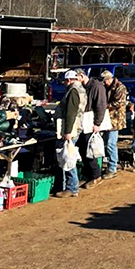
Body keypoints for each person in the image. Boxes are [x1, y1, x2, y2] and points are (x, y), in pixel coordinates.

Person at [54, 70, 87, 198]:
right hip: (76, 126)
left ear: (68, 80)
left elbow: (71, 112)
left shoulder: (73, 91)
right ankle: (68, 186)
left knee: (67, 157)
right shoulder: (81, 89)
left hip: (71, 128)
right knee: (68, 156)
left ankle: (71, 187)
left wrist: (67, 131)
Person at [76, 68, 108, 188]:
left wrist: (97, 123)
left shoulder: (96, 87)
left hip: (91, 122)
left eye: (76, 78)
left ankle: (96, 175)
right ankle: (87, 174)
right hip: (83, 122)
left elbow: (101, 105)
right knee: (82, 148)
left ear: (81, 76)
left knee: (89, 150)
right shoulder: (82, 87)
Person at [100, 70, 128, 178]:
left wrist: (103, 106)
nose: (103, 83)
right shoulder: (106, 87)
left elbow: (118, 103)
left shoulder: (120, 87)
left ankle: (112, 168)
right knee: (105, 142)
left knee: (111, 143)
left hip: (116, 119)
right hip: (107, 118)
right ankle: (108, 165)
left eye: (104, 81)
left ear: (109, 79)